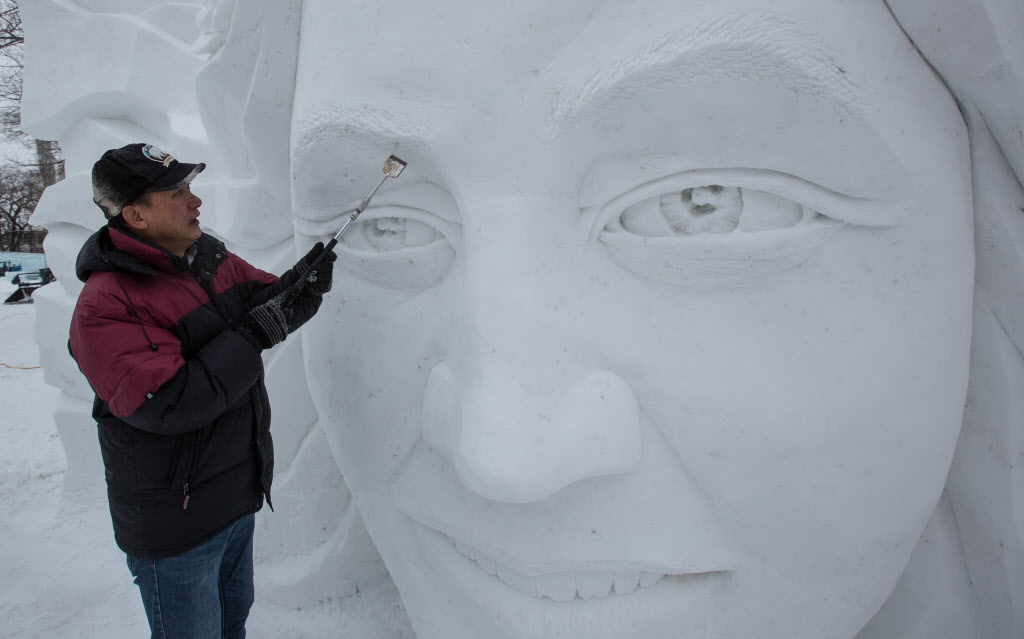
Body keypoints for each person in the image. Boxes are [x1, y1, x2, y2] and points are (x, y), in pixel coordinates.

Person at [68, 142, 336, 638]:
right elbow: (169, 403)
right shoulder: (105, 305)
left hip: (234, 500)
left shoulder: (207, 257)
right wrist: (256, 333)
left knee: (232, 624)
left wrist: (302, 284)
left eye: (190, 187)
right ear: (135, 215)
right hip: (177, 527)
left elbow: (262, 302)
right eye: (176, 192)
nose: (196, 201)